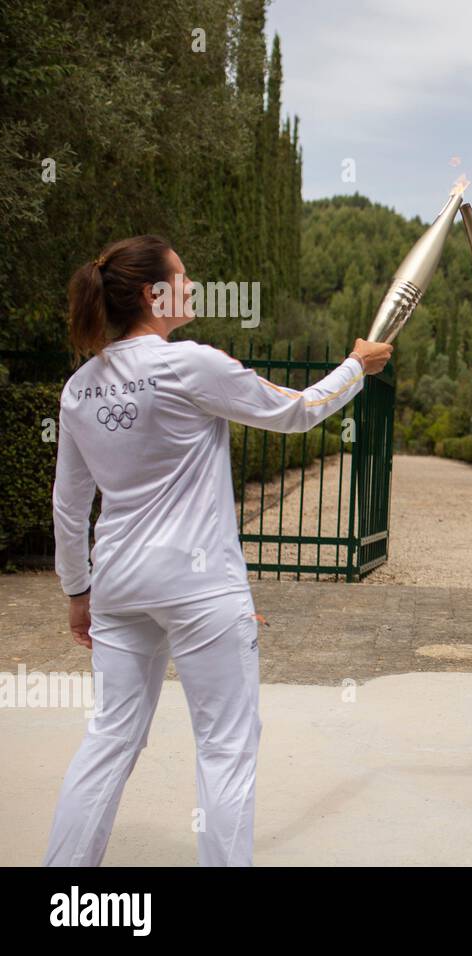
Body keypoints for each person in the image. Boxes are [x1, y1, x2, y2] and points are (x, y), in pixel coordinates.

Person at [44, 235, 392, 866]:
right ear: (155, 295)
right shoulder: (190, 365)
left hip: (120, 587)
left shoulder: (79, 389)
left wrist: (78, 591)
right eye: (182, 277)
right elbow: (297, 412)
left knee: (108, 740)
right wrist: (356, 368)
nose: (193, 287)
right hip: (200, 588)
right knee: (226, 748)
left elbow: (69, 506)